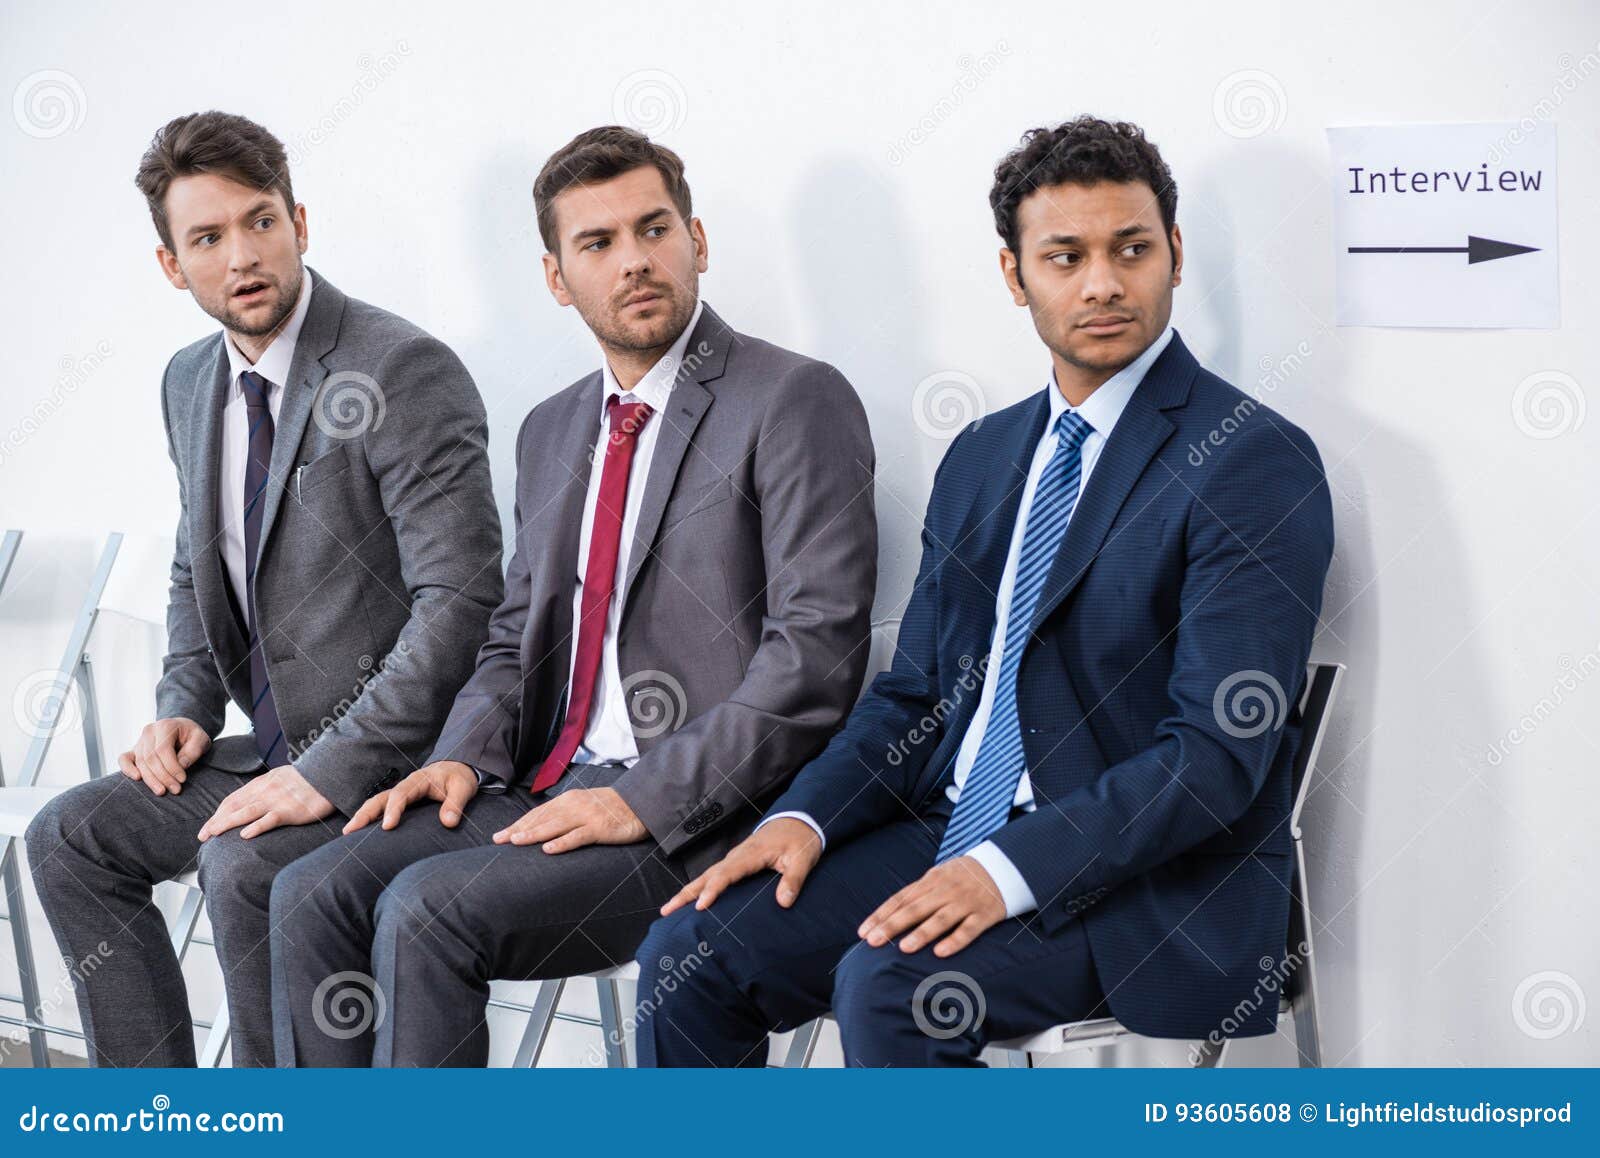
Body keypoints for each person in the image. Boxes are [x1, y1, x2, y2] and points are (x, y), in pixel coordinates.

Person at [636, 115, 1337, 1067]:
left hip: (1138, 878)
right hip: (947, 821)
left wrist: (1006, 872)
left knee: (894, 987)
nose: (1102, 283)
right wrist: (802, 819)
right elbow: (914, 695)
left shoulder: (1249, 459)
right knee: (691, 950)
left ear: (1174, 254)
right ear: (1014, 275)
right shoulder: (983, 455)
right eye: (1065, 256)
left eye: (1132, 249)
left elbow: (1215, 758)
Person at [268, 126, 879, 1067]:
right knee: (311, 892)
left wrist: (641, 798)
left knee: (424, 913)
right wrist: (463, 753)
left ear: (698, 240)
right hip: (542, 782)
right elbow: (516, 636)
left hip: (697, 810)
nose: (634, 260)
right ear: (557, 277)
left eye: (654, 228)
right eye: (597, 244)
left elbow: (813, 660)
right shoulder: (552, 431)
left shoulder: (793, 399)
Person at [24, 110, 504, 1067]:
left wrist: (325, 774)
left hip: (400, 762)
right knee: (70, 837)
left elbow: (462, 601)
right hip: (271, 752)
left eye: (260, 222)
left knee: (239, 859)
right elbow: (194, 562)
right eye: (207, 237)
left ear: (300, 222)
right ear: (172, 265)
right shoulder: (188, 382)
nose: (242, 255)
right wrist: (183, 704)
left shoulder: (397, 367)